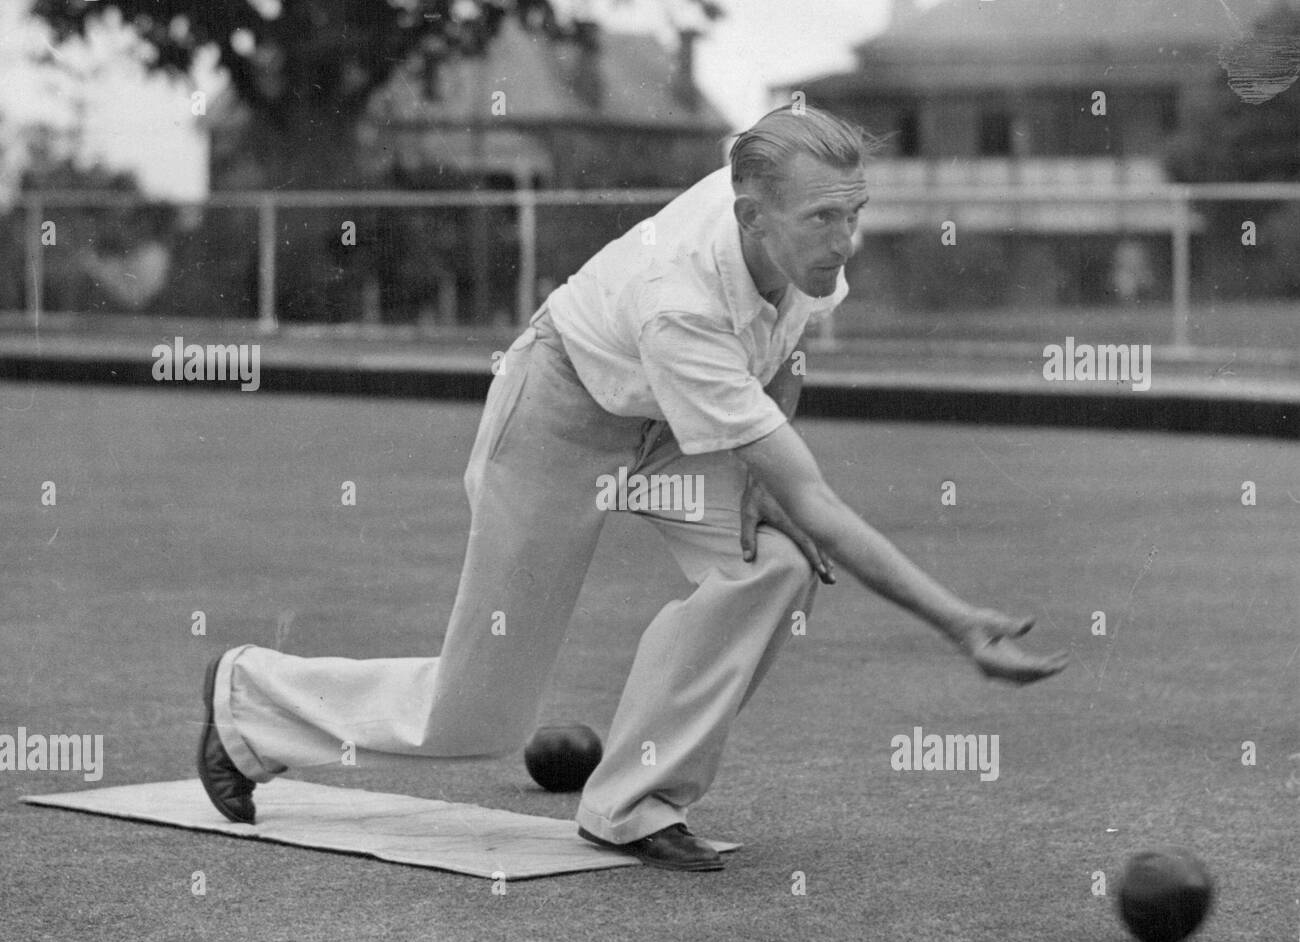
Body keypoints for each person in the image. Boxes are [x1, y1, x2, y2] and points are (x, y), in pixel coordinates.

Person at [197, 105, 1068, 872]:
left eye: (855, 213)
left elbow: (790, 345)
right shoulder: (679, 299)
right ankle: (250, 703)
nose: (843, 242)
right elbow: (821, 505)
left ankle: (633, 802)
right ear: (750, 218)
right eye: (823, 220)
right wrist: (957, 621)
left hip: (667, 422)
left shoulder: (801, 237)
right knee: (472, 715)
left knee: (771, 565)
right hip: (562, 410)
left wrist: (766, 453)